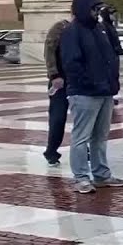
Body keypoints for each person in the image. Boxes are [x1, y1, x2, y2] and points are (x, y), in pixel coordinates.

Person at [60, 0, 123, 194]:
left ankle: (101, 174)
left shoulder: (100, 28)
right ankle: (81, 177)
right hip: (84, 92)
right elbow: (71, 63)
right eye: (94, 8)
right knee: (81, 137)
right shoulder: (72, 31)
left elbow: (115, 51)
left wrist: (110, 24)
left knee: (100, 136)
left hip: (105, 90)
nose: (97, 12)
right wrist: (90, 82)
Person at [43, 15, 72, 166]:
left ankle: (84, 150)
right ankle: (51, 151)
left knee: (83, 120)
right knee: (57, 118)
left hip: (79, 81)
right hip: (60, 81)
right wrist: (54, 74)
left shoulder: (88, 29)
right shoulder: (60, 28)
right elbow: (49, 50)